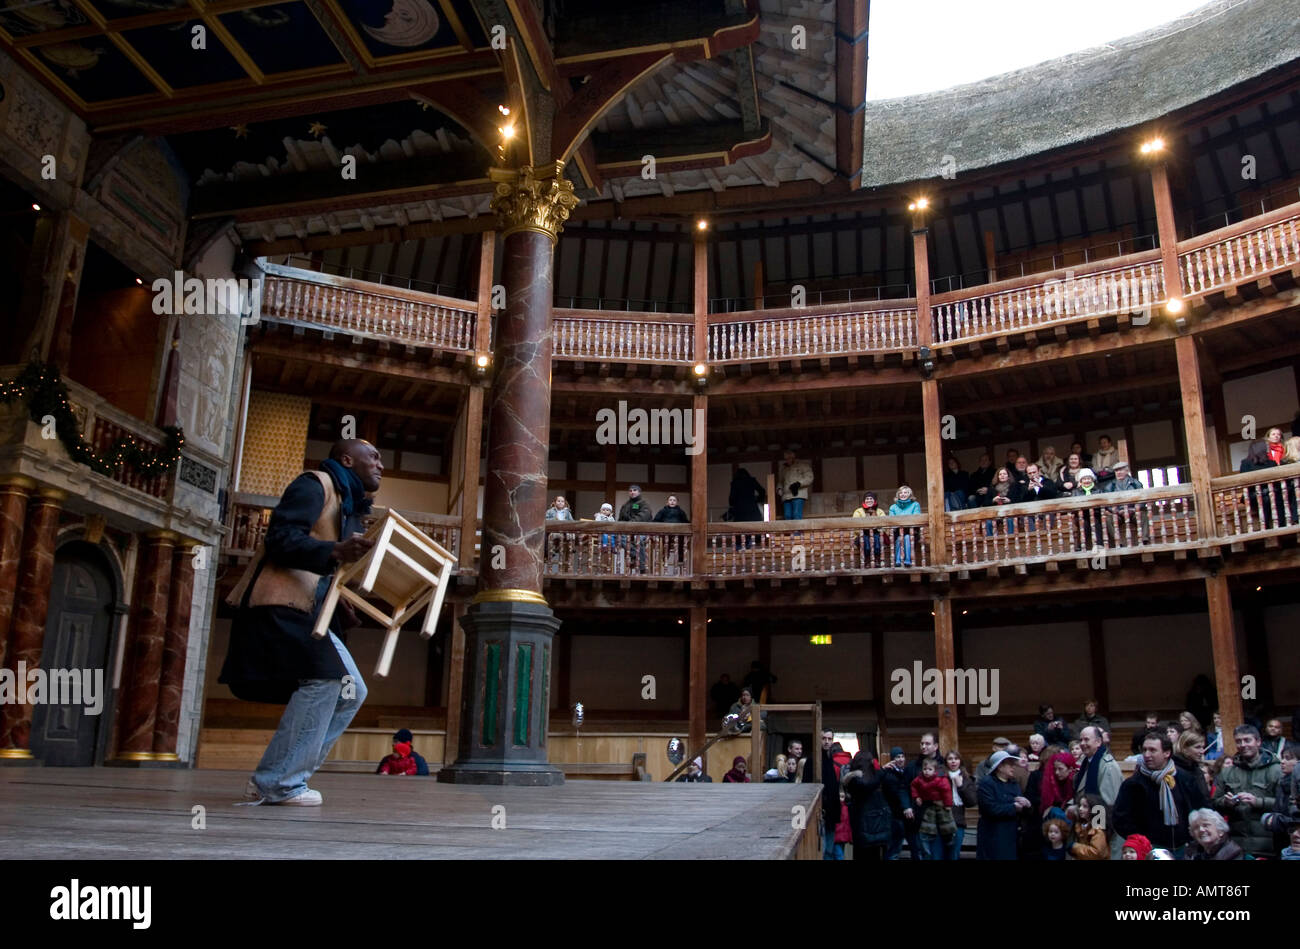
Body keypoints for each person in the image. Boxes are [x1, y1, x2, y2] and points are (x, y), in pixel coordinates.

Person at [221, 438, 381, 806]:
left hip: (311, 610)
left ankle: (279, 778)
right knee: (329, 679)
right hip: (280, 603)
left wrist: (340, 605)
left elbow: (325, 574)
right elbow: (280, 539)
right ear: (346, 458)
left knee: (351, 690)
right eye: (372, 456)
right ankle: (278, 782)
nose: (380, 465)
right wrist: (334, 551)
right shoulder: (314, 484)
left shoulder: (349, 505)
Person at [1114, 730, 1208, 855]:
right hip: (1151, 850)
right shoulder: (1133, 784)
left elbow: (1201, 808)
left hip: (1184, 849)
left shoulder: (1184, 778)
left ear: (1167, 753)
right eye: (1144, 750)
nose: (1147, 754)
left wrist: (1193, 839)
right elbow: (1120, 819)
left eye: (1152, 750)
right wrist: (1141, 842)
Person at [1212, 724, 1282, 857]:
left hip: (1269, 846)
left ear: (1258, 741)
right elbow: (1214, 804)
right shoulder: (1227, 772)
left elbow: (1284, 805)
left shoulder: (1276, 770)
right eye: (1238, 741)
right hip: (1237, 846)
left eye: (1247, 740)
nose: (1243, 745)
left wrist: (1259, 802)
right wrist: (1226, 803)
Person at [1074, 724, 1123, 857]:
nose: (1083, 743)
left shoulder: (1107, 766)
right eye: (1081, 740)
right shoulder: (1087, 763)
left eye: (1086, 740)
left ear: (1098, 742)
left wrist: (1096, 835)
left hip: (1104, 832)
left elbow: (1108, 805)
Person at [976, 749, 1032, 859]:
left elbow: (1022, 809)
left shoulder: (1013, 784)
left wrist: (1027, 805)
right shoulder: (987, 783)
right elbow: (990, 808)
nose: (1013, 767)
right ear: (1000, 767)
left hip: (1011, 834)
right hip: (992, 835)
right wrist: (1013, 807)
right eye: (1009, 764)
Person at [841, 751, 892, 860]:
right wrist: (881, 771)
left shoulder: (853, 778)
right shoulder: (856, 780)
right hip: (870, 825)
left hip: (864, 826)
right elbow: (867, 786)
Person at [911, 756, 957, 860]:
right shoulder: (919, 779)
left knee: (946, 821)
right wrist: (916, 796)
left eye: (930, 769)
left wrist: (948, 804)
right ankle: (927, 851)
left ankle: (949, 838)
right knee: (927, 826)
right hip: (928, 804)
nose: (926, 772)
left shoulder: (941, 780)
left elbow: (947, 792)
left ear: (935, 770)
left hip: (941, 804)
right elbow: (913, 786)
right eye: (924, 769)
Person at [944, 749, 977, 860]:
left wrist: (960, 786)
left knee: (954, 855)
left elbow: (971, 802)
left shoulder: (967, 779)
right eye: (950, 759)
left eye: (956, 759)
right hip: (941, 821)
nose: (953, 761)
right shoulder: (941, 777)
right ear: (946, 762)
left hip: (958, 822)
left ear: (960, 761)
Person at [880, 746, 912, 860]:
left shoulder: (904, 772)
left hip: (902, 815)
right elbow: (894, 795)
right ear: (893, 759)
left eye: (902, 756)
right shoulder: (889, 775)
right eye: (898, 757)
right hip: (895, 815)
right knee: (894, 847)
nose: (901, 759)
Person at [819, 730, 844, 859]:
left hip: (830, 813)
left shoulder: (830, 760)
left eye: (829, 739)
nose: (827, 741)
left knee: (828, 849)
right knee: (823, 850)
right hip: (820, 812)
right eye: (824, 738)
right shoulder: (815, 761)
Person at [617, 484, 653, 573]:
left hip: (641, 530)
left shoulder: (644, 503)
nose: (632, 492)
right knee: (620, 538)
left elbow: (645, 516)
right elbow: (620, 519)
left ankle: (642, 567)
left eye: (634, 490)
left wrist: (630, 523)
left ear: (639, 492)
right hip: (627, 532)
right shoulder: (625, 505)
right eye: (630, 490)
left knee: (638, 540)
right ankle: (638, 557)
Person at [1069, 792, 1111, 860]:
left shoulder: (1098, 831)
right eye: (1080, 805)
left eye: (1085, 806)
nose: (1080, 808)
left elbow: (1096, 852)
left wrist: (1075, 847)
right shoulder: (1081, 826)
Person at [888, 485, 922, 566]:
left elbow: (916, 518)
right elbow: (892, 521)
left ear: (910, 494)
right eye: (901, 493)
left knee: (907, 537)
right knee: (900, 538)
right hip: (898, 531)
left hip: (912, 531)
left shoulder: (915, 505)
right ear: (898, 495)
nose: (903, 494)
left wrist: (901, 521)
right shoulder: (893, 507)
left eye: (906, 492)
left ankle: (907, 561)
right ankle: (898, 561)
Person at [777, 449, 813, 520]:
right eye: (786, 458)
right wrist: (779, 489)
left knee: (796, 514)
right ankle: (790, 531)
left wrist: (798, 484)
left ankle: (797, 531)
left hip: (798, 494)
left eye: (790, 457)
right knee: (787, 515)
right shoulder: (784, 469)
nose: (788, 459)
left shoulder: (803, 465)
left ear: (794, 457)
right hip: (786, 495)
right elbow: (780, 481)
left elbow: (809, 477)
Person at [1040, 751, 1078, 817]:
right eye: (1055, 769)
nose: (1056, 772)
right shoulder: (1054, 781)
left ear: (1070, 769)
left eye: (1060, 769)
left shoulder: (1075, 781)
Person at [852, 491, 886, 564]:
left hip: (876, 534)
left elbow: (884, 526)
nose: (869, 500)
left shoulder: (880, 511)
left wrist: (877, 528)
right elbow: (855, 526)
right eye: (867, 499)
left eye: (871, 498)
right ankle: (867, 560)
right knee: (865, 540)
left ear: (874, 500)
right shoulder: (858, 511)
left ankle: (877, 560)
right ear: (864, 500)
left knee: (877, 539)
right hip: (862, 535)